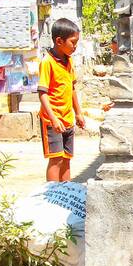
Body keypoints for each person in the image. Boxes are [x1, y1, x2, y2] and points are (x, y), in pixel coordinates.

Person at [38, 18, 85, 183]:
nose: (75, 46)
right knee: (56, 159)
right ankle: (52, 196)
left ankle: (66, 193)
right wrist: (53, 118)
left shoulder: (69, 61)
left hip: (67, 119)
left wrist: (78, 113)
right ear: (59, 41)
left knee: (66, 159)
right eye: (73, 42)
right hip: (53, 120)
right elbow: (42, 93)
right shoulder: (47, 62)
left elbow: (71, 88)